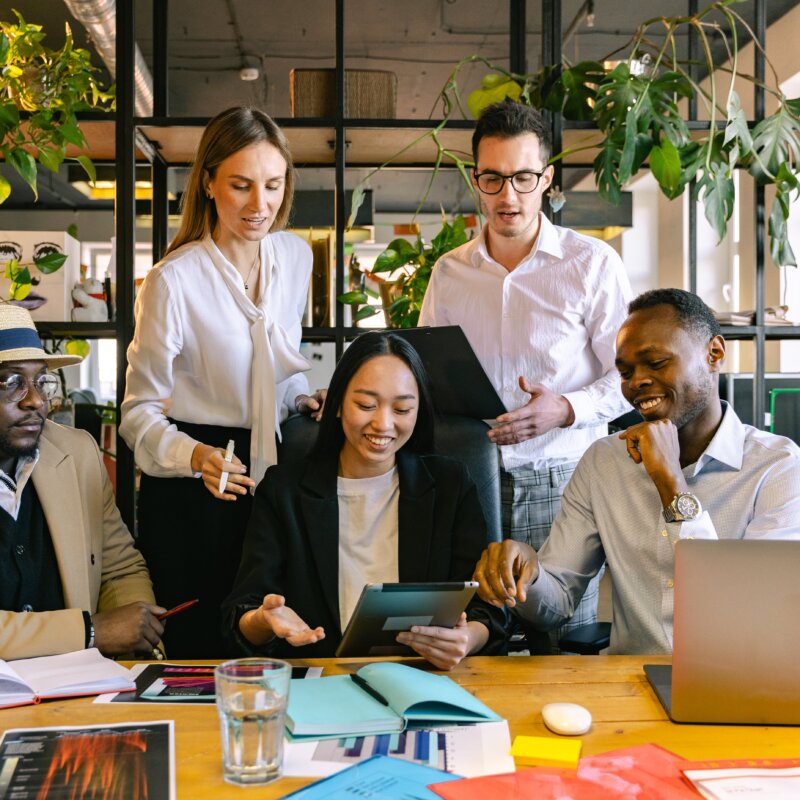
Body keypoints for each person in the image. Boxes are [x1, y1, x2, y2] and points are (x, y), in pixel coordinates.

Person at [474, 289, 800, 654]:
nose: (636, 382)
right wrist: (529, 574)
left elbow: (751, 611)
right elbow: (557, 602)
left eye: (656, 363)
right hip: (632, 681)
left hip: (736, 678)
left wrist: (671, 483)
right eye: (625, 372)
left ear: (714, 354)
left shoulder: (778, 467)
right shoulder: (604, 462)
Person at [419, 100, 631, 649]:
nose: (507, 195)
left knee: (563, 643)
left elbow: (629, 378)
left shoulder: (591, 263)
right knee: (470, 640)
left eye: (522, 177)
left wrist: (565, 407)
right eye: (492, 179)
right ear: (476, 179)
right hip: (472, 481)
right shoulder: (450, 272)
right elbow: (420, 372)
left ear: (547, 178)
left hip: (564, 480)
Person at [120, 107, 324, 658]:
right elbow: (136, 413)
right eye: (241, 185)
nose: (260, 204)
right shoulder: (173, 280)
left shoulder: (295, 257)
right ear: (208, 183)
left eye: (273, 185)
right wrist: (195, 456)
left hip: (272, 478)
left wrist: (302, 398)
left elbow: (276, 373)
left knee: (276, 636)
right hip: (195, 484)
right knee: (200, 654)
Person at [222, 332, 506, 669]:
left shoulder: (450, 485)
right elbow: (242, 616)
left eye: (402, 409)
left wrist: (467, 638)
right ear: (337, 403)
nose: (383, 424)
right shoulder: (284, 491)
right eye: (366, 405)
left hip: (425, 676)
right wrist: (264, 620)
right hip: (322, 681)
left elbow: (487, 605)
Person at [0, 305, 164, 661]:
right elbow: (98, 630)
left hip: (81, 683)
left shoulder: (77, 453)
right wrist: (90, 632)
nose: (35, 400)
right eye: (12, 382)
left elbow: (119, 570)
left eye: (41, 381)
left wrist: (140, 645)